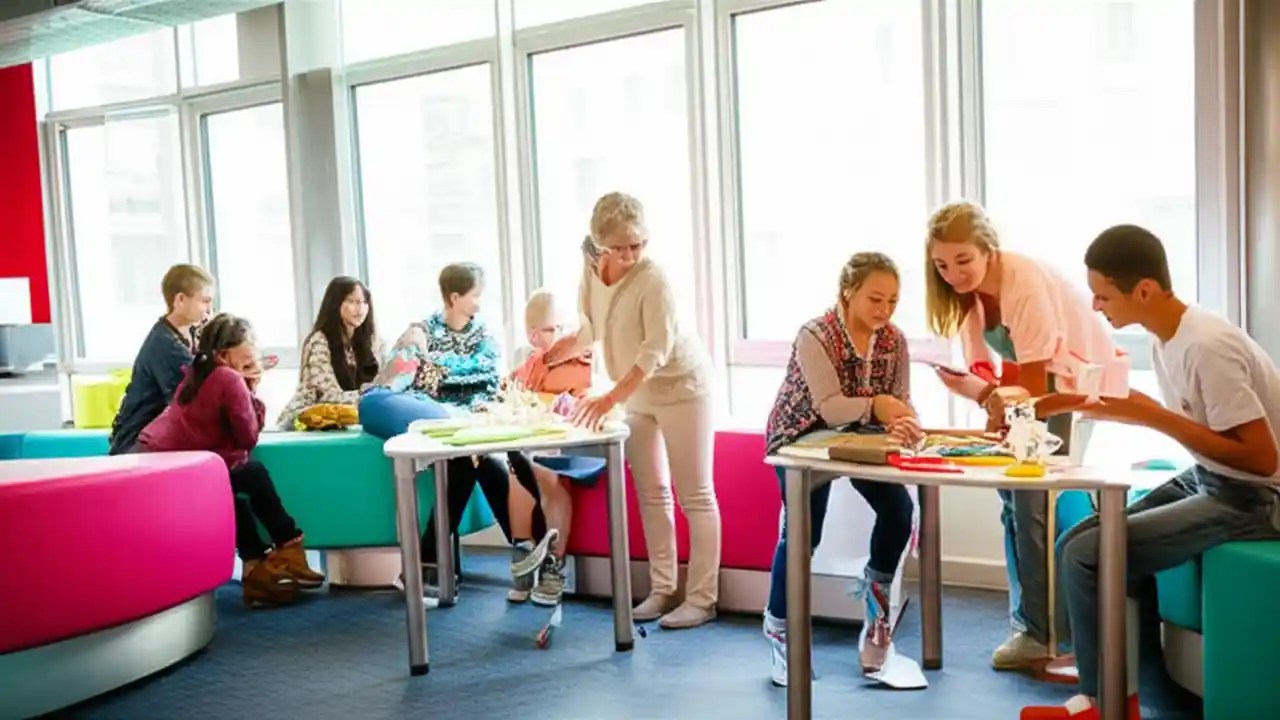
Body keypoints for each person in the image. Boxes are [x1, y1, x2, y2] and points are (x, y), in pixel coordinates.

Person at [1022, 225, 1280, 720]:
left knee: (1085, 554)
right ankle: (1128, 695)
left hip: (1255, 496)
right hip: (1211, 477)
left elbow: (1262, 459)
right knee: (1079, 541)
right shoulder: (1169, 338)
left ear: (1143, 290)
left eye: (1103, 295)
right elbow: (1155, 412)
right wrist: (1061, 402)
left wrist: (1155, 418)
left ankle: (1100, 703)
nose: (1095, 306)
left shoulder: (1207, 345)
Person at [924, 200, 1129, 671]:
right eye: (941, 265)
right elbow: (1003, 373)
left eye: (963, 260)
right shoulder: (973, 295)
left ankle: (1047, 635)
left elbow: (1034, 386)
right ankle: (1032, 624)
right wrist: (988, 399)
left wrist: (996, 404)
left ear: (989, 250)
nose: (953, 274)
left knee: (1032, 503)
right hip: (1039, 391)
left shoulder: (1022, 280)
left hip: (1070, 389)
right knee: (1014, 502)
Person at [547, 191, 721, 629]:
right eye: (620, 247)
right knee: (651, 491)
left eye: (638, 244)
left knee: (695, 495)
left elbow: (653, 352)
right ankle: (663, 589)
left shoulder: (654, 279)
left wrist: (609, 398)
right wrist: (561, 347)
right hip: (636, 391)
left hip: (681, 386)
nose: (630, 254)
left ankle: (702, 599)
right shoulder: (591, 271)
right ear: (599, 244)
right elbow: (592, 327)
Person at [760, 252, 924, 686]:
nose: (885, 310)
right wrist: (879, 406)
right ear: (848, 292)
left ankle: (876, 614)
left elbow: (901, 400)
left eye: (893, 301)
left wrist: (904, 422)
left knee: (898, 512)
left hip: (861, 438)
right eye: (875, 299)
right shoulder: (815, 335)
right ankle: (780, 629)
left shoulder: (894, 340)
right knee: (803, 533)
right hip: (800, 438)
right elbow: (831, 408)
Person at [359, 262, 542, 602]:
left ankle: (429, 565)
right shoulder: (422, 331)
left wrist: (438, 371)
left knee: (470, 464)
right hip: (436, 422)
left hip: (475, 422)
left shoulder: (483, 335)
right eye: (475, 296)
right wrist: (442, 376)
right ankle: (527, 556)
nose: (479, 303)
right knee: (473, 463)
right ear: (454, 297)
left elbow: (487, 376)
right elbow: (404, 375)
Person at [134, 313, 324, 608]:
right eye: (249, 343)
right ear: (225, 353)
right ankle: (288, 546)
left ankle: (256, 564)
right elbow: (248, 436)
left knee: (233, 492)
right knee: (253, 475)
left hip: (161, 462)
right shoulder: (229, 378)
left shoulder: (199, 371)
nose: (255, 349)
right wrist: (253, 390)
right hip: (176, 468)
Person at [507, 288, 600, 606]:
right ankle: (522, 550)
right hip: (538, 442)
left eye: (564, 327)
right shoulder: (533, 363)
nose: (562, 335)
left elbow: (587, 397)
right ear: (534, 336)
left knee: (543, 471)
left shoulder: (581, 359)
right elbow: (509, 391)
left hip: (575, 446)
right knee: (516, 471)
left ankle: (553, 565)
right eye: (553, 328)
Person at [109, 264, 214, 456]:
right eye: (204, 301)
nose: (209, 309)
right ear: (180, 300)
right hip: (136, 443)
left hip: (150, 440)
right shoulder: (166, 345)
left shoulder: (189, 333)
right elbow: (192, 399)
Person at [277, 276, 384, 429]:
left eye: (364, 302)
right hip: (308, 422)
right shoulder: (319, 341)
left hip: (349, 422)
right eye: (352, 301)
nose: (360, 309)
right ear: (335, 304)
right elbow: (327, 397)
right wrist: (373, 395)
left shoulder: (372, 342)